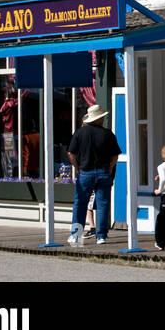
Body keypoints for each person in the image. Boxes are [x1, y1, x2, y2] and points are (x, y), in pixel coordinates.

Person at [66, 104, 121, 245]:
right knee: (103, 204)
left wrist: (77, 167)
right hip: (103, 172)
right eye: (101, 117)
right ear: (98, 119)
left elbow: (71, 153)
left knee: (80, 204)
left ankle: (76, 235)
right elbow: (115, 156)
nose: (103, 119)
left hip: (85, 172)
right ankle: (101, 236)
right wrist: (109, 168)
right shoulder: (108, 134)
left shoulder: (79, 133)